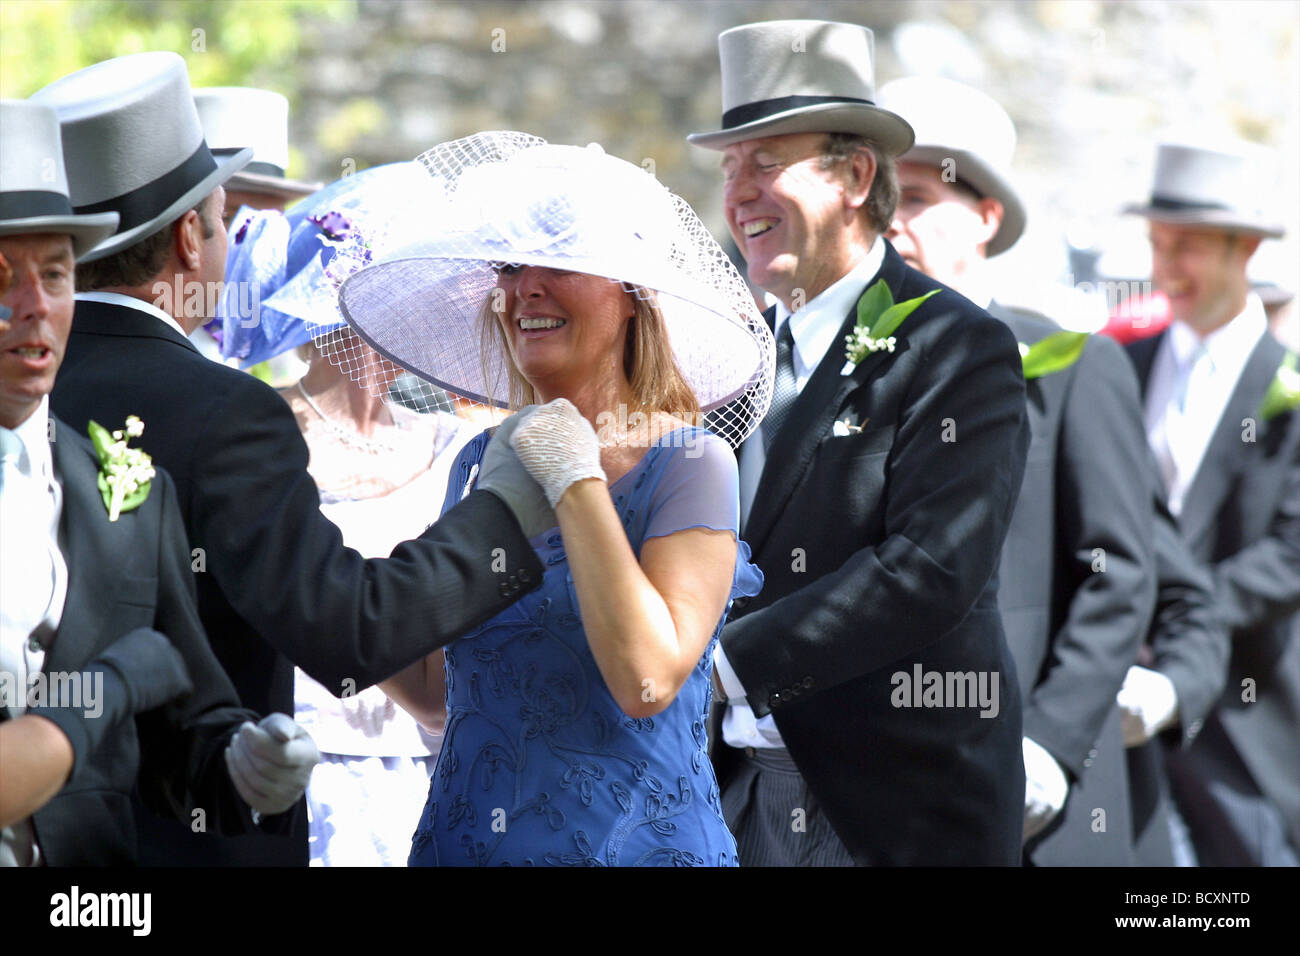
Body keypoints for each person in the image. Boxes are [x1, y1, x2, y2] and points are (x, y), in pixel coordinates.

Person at [36, 53, 558, 866]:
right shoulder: (224, 411)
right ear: (187, 238)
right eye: (219, 217)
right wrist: (505, 511)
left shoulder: (29, 392)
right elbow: (350, 628)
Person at [337, 132, 772, 866]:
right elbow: (443, 693)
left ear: (632, 294)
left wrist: (575, 480)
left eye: (559, 260)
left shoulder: (692, 463)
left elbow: (646, 678)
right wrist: (338, 588)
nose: (524, 287)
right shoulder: (478, 463)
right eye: (510, 265)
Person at [687, 20, 1029, 865]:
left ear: (855, 175)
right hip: (726, 794)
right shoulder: (727, 354)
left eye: (766, 163)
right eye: (731, 169)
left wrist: (718, 668)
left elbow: (930, 570)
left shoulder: (956, 345)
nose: (740, 194)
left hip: (890, 807)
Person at [0, 99, 316, 865]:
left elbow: (182, 737)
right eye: (2, 277)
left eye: (56, 272)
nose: (35, 308)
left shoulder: (124, 484)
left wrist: (244, 768)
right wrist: (102, 694)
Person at [876, 76, 1157, 865]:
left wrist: (1050, 745)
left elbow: (1119, 577)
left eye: (921, 197)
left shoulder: (1072, 366)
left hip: (1037, 802)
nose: (891, 221)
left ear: (987, 218)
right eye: (878, 195)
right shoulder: (843, 365)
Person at [217, 164, 474, 865]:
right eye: (394, 299)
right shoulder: (260, 432)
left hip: (431, 772)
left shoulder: (451, 442)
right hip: (296, 770)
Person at [1123, 140, 1300, 865]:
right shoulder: (1120, 368)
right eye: (1156, 244)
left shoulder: (1286, 388)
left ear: (1246, 247)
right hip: (1124, 704)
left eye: (1186, 246)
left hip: (1245, 715)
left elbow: (1289, 557)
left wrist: (1175, 624)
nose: (1164, 268)